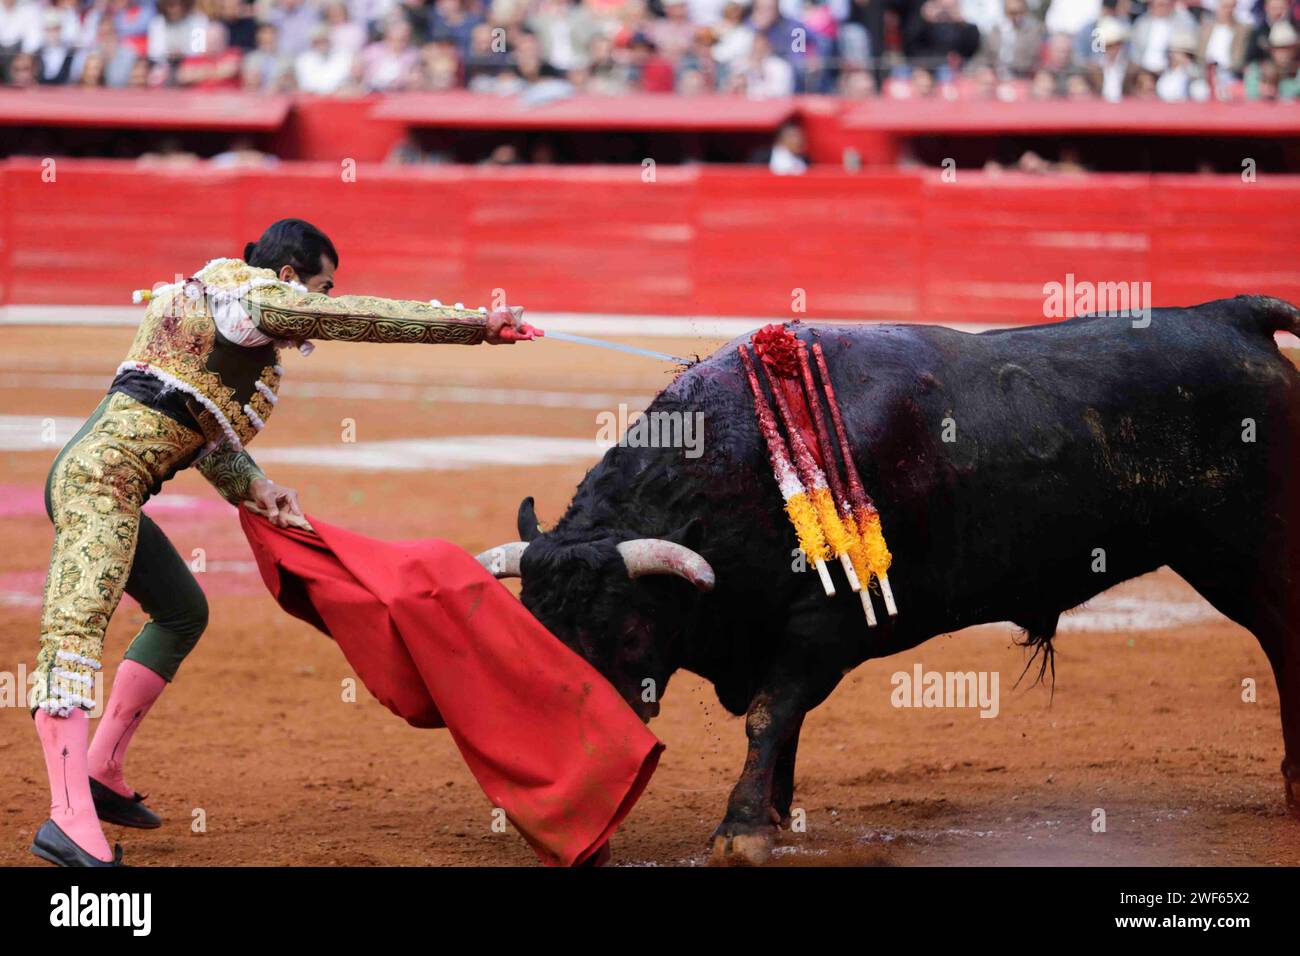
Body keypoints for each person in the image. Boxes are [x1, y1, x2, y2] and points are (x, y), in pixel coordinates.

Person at [28, 218, 535, 868]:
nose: (320, 307)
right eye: (320, 288)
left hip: (108, 479)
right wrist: (476, 326)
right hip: (100, 482)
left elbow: (190, 429)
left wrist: (258, 488)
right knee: (74, 633)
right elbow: (361, 317)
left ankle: (100, 772)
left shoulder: (219, 306)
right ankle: (67, 820)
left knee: (182, 611)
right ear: (290, 276)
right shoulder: (254, 295)